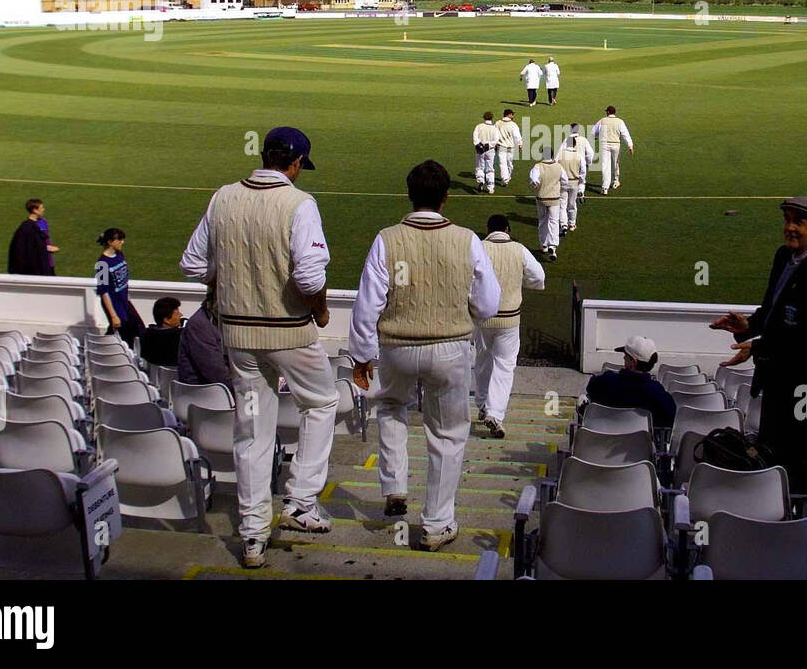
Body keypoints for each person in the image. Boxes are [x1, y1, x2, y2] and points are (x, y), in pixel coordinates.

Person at [180, 126, 339, 569]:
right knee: (323, 402)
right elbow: (310, 277)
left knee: (251, 432)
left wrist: (228, 279)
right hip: (288, 331)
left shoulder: (223, 197)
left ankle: (252, 537)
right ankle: (300, 502)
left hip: (238, 336)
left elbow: (193, 262)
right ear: (293, 165)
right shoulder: (298, 203)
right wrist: (321, 311)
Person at [348, 160, 500, 551]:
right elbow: (487, 304)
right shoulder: (466, 239)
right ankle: (436, 523)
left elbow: (368, 304)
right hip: (449, 347)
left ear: (409, 194)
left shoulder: (388, 238)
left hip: (397, 345)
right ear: (446, 197)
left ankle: (396, 486)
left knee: (392, 408)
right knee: (447, 434)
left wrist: (362, 355)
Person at [710, 196, 807, 464]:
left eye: (799, 222)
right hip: (780, 385)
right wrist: (748, 326)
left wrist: (757, 346)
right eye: (787, 220)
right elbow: (774, 311)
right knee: (774, 464)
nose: (790, 228)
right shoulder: (784, 256)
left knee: (806, 471)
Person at [474, 214, 545, 438]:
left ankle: (484, 405)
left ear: (488, 230)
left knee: (483, 360)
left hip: (482, 317)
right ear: (507, 229)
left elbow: (466, 278)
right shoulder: (519, 249)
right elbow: (538, 277)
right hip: (509, 319)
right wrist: (518, 281)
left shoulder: (478, 247)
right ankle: (494, 413)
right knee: (504, 365)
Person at [583, 336, 676, 429]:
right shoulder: (657, 392)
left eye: (626, 356)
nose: (623, 357)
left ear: (633, 362)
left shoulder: (606, 381)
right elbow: (670, 417)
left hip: (602, 439)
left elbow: (591, 389)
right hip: (640, 442)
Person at [95, 228, 141, 349]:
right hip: (114, 304)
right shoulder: (102, 264)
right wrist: (113, 315)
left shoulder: (119, 255)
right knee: (124, 332)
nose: (122, 242)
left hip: (124, 301)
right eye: (119, 239)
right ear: (110, 242)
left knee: (135, 328)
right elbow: (103, 292)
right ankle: (102, 349)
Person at [177, 299, 231, 387]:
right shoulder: (200, 325)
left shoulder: (213, 321)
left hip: (214, 389)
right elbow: (216, 374)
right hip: (203, 394)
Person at [529, 145, 568, 261]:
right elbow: (565, 181)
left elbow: (533, 180)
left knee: (542, 220)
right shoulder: (559, 167)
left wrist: (537, 186)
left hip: (541, 197)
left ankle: (544, 244)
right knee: (554, 222)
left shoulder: (538, 166)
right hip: (555, 198)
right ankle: (553, 246)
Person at [591, 105, 634, 195]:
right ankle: (616, 181)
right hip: (615, 145)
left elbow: (594, 131)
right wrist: (630, 145)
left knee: (605, 165)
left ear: (607, 112)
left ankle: (605, 187)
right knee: (615, 163)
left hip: (604, 145)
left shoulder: (602, 120)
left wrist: (595, 137)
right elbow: (625, 134)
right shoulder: (620, 121)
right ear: (615, 113)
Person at [8, 199, 53, 276]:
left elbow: (45, 238)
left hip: (46, 261)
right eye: (41, 208)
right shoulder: (26, 228)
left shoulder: (42, 222)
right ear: (35, 210)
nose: (43, 209)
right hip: (35, 266)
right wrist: (45, 248)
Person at [138, 296, 184, 368]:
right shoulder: (180, 336)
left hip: (151, 376)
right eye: (177, 313)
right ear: (166, 320)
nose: (181, 315)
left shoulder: (146, 334)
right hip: (175, 376)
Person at [556, 134, 588, 235]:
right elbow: (583, 170)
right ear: (575, 145)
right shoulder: (578, 155)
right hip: (574, 181)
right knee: (572, 204)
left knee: (562, 204)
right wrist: (581, 181)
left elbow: (555, 165)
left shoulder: (560, 154)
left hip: (562, 182)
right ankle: (572, 224)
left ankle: (563, 225)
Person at [560, 123, 596, 205]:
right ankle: (581, 191)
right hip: (581, 162)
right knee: (581, 180)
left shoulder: (567, 139)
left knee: (570, 178)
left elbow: (560, 152)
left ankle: (569, 195)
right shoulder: (583, 139)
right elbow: (590, 153)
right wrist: (589, 162)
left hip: (570, 163)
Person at [472, 111, 500, 194]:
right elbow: (496, 140)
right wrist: (488, 145)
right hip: (490, 150)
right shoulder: (494, 128)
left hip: (480, 150)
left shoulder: (479, 126)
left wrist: (478, 145)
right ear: (492, 118)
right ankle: (490, 188)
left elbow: (475, 136)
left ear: (484, 118)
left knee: (479, 167)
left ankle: (480, 180)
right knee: (490, 168)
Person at [495, 109, 523, 187]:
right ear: (508, 115)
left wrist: (494, 144)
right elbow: (517, 136)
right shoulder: (513, 124)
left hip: (501, 147)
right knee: (509, 163)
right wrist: (520, 144)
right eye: (512, 114)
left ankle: (506, 178)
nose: (513, 116)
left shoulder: (497, 123)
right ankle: (506, 179)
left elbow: (495, 135)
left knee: (502, 163)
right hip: (511, 147)